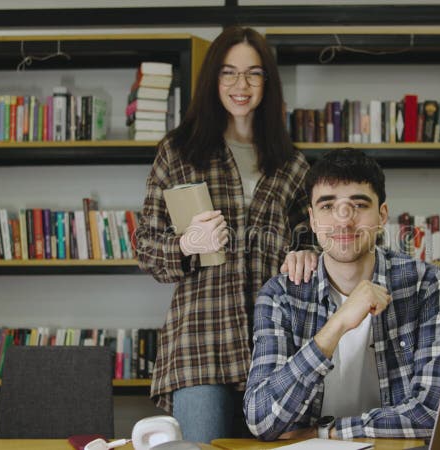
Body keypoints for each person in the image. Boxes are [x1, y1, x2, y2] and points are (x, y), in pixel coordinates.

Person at [134, 26, 317, 443]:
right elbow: (145, 245)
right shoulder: (179, 151)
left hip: (277, 343)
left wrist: (306, 249)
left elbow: (312, 230)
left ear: (267, 83)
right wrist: (185, 245)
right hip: (201, 341)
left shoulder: (293, 164)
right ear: (212, 79)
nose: (241, 85)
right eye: (229, 73)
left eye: (253, 74)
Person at [243, 149, 440, 441]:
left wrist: (325, 432)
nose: (344, 221)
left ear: (382, 215)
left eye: (358, 205)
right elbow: (261, 419)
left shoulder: (426, 284)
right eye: (328, 206)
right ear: (313, 220)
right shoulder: (280, 294)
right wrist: (337, 325)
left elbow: (436, 412)